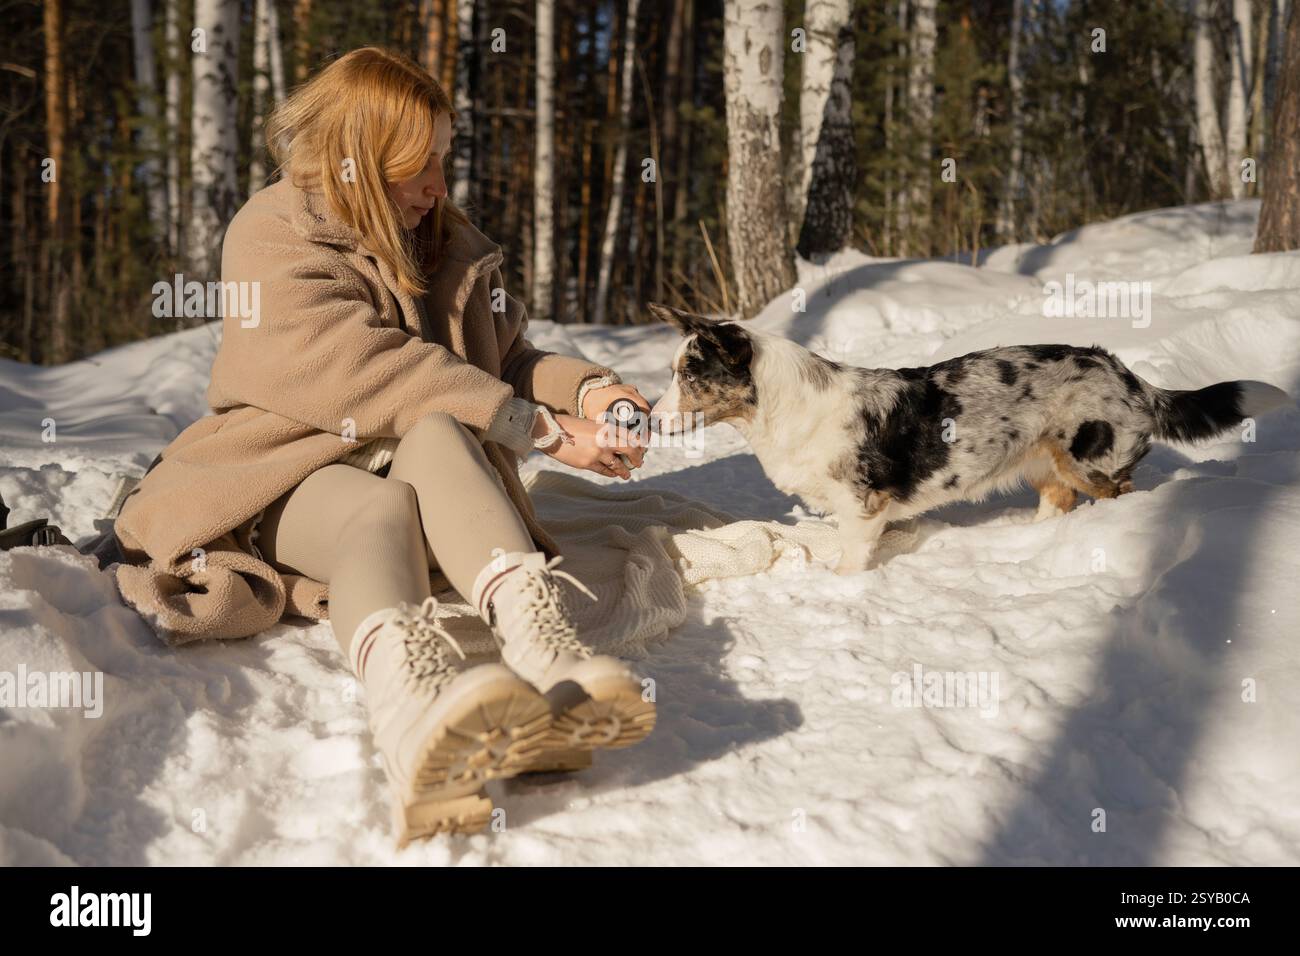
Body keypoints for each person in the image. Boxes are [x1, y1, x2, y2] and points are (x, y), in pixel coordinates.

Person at [219, 47, 655, 841]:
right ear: (355, 161)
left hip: (429, 471)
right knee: (382, 500)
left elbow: (505, 360)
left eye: (442, 160)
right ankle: (412, 714)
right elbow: (378, 371)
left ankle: (549, 662)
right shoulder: (272, 235)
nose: (437, 187)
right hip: (290, 477)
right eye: (416, 167)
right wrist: (547, 433)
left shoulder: (439, 238)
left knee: (436, 430)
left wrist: (592, 391)